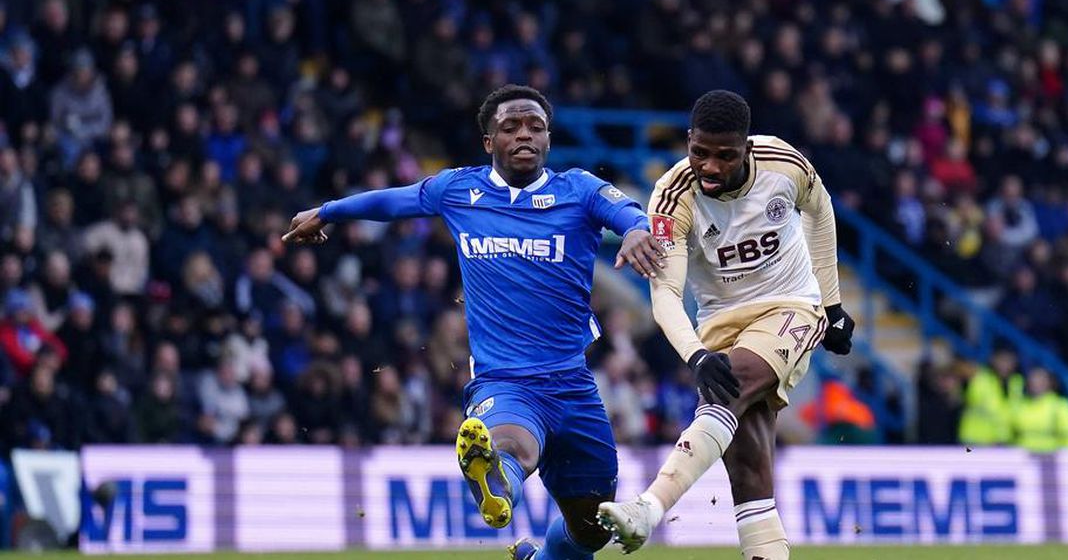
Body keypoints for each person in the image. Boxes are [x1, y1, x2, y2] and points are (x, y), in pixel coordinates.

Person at [282, 84, 663, 560]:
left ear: (548, 139)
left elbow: (626, 210)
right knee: (513, 448)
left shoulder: (578, 189)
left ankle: (534, 549)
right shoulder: (460, 190)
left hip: (573, 384)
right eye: (510, 127)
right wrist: (328, 212)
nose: (524, 135)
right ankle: (496, 478)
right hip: (503, 381)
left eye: (536, 127)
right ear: (489, 142)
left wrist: (636, 231)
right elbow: (393, 201)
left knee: (591, 530)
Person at [597, 90, 855, 559]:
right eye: (700, 152)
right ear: (688, 140)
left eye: (725, 156)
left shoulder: (784, 164)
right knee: (749, 473)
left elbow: (820, 210)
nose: (710, 167)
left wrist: (831, 304)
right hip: (719, 325)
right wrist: (696, 355)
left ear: (747, 148)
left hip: (790, 306)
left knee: (731, 386)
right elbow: (665, 294)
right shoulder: (672, 197)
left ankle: (648, 508)